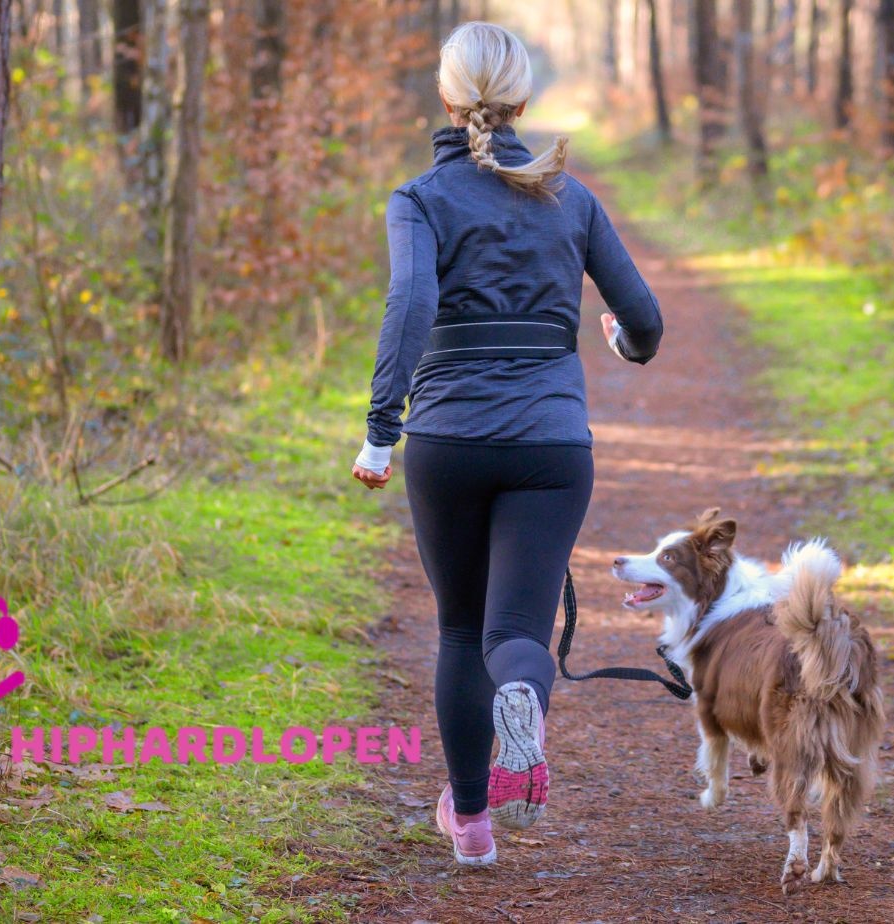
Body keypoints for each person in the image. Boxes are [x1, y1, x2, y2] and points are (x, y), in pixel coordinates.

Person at [350, 22, 663, 867]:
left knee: (458, 630)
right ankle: (523, 692)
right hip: (551, 447)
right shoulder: (573, 196)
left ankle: (474, 826)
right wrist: (626, 347)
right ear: (522, 101)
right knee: (512, 631)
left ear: (448, 100)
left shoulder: (419, 199)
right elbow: (645, 321)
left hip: (448, 439)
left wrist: (382, 430)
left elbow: (410, 306)